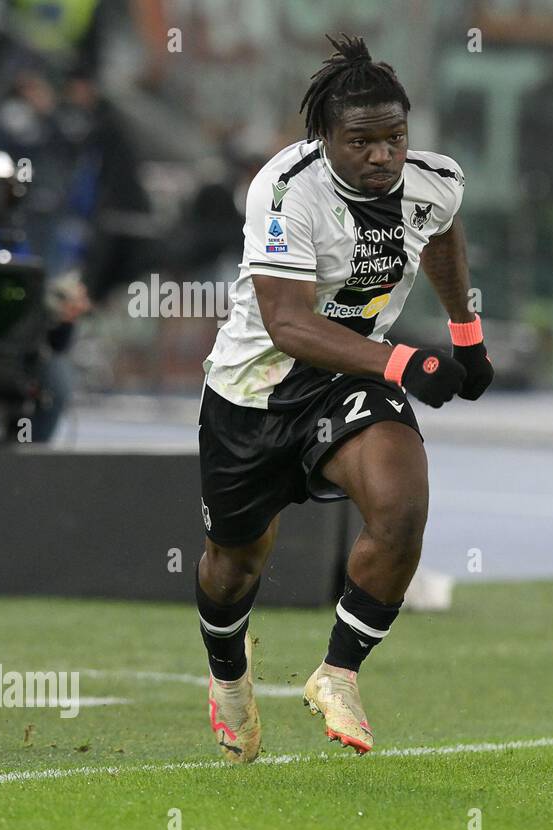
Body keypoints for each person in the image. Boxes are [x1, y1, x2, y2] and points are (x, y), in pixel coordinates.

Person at [197, 34, 492, 763]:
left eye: (394, 138)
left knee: (401, 506)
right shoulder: (284, 189)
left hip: (347, 379)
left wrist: (467, 335)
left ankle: (338, 673)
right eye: (361, 141)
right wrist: (404, 362)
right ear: (326, 137)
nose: (382, 155)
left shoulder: (435, 180)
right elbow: (290, 324)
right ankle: (229, 679)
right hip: (253, 391)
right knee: (235, 562)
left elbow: (443, 234)